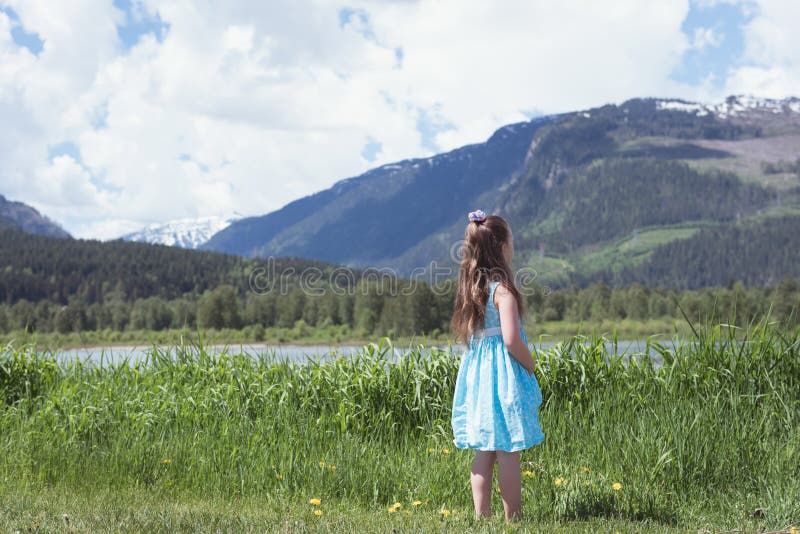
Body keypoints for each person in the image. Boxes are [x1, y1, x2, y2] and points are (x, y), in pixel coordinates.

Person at [450, 209, 545, 521]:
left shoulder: (472, 291)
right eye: (512, 241)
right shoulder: (503, 290)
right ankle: (513, 518)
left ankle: (481, 517)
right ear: (503, 248)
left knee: (484, 451)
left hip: (478, 378)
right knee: (507, 450)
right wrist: (530, 363)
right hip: (502, 376)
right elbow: (510, 339)